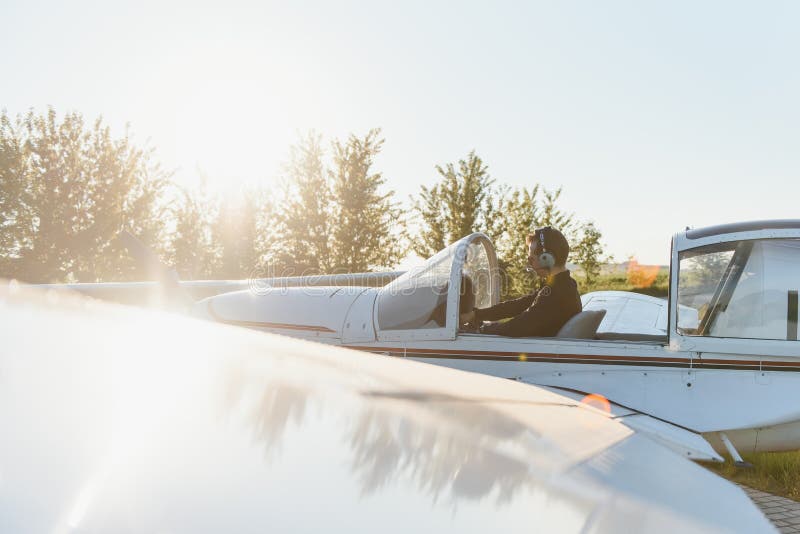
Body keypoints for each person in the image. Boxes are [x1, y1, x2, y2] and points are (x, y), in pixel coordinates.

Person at [459, 226, 581, 337]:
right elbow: (519, 305)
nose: (530, 264)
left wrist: (482, 329)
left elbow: (519, 327)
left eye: (531, 259)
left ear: (546, 259)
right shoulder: (563, 286)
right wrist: (476, 315)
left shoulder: (556, 293)